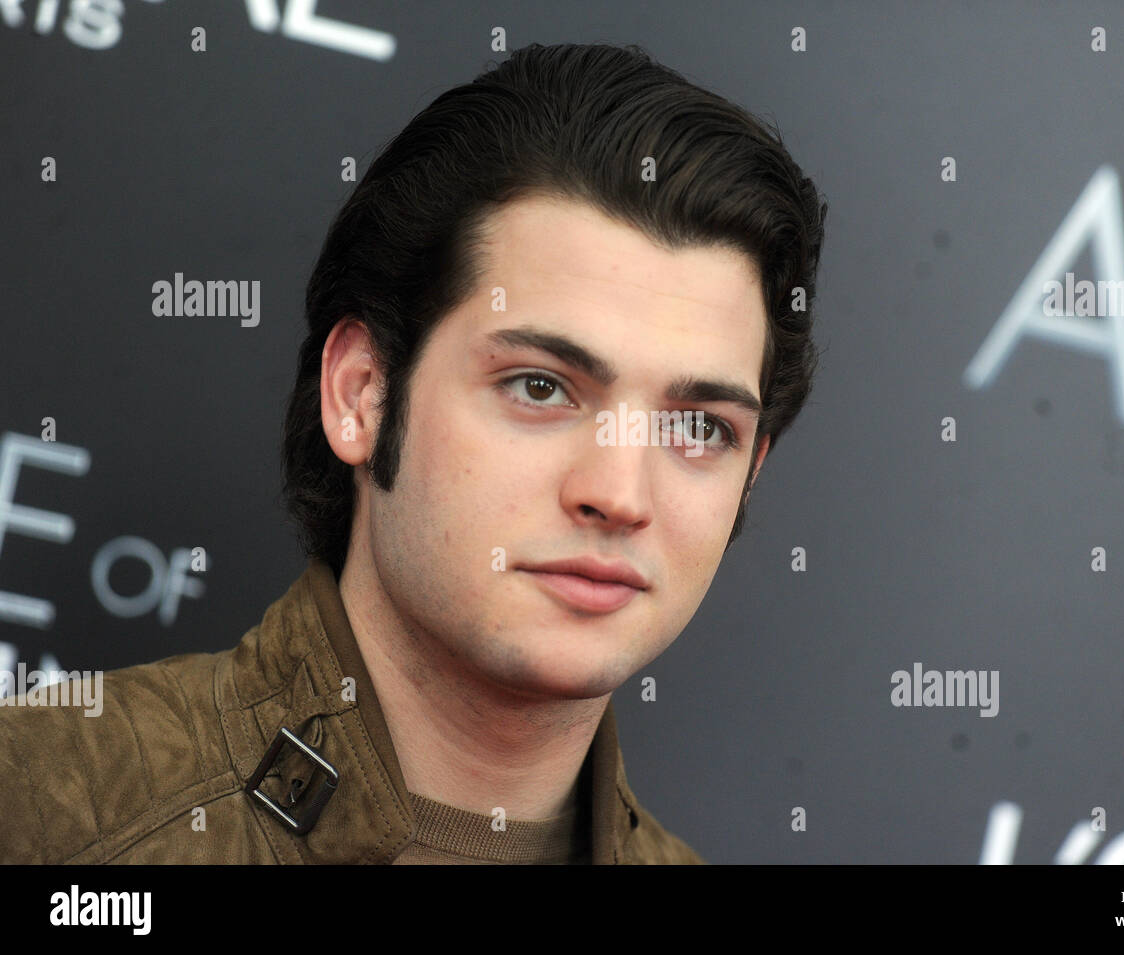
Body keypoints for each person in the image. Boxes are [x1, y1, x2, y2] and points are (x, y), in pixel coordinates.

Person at [0, 41, 827, 864]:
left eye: (698, 427)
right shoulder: (45, 809)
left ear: (751, 472)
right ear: (361, 393)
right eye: (540, 387)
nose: (617, 492)